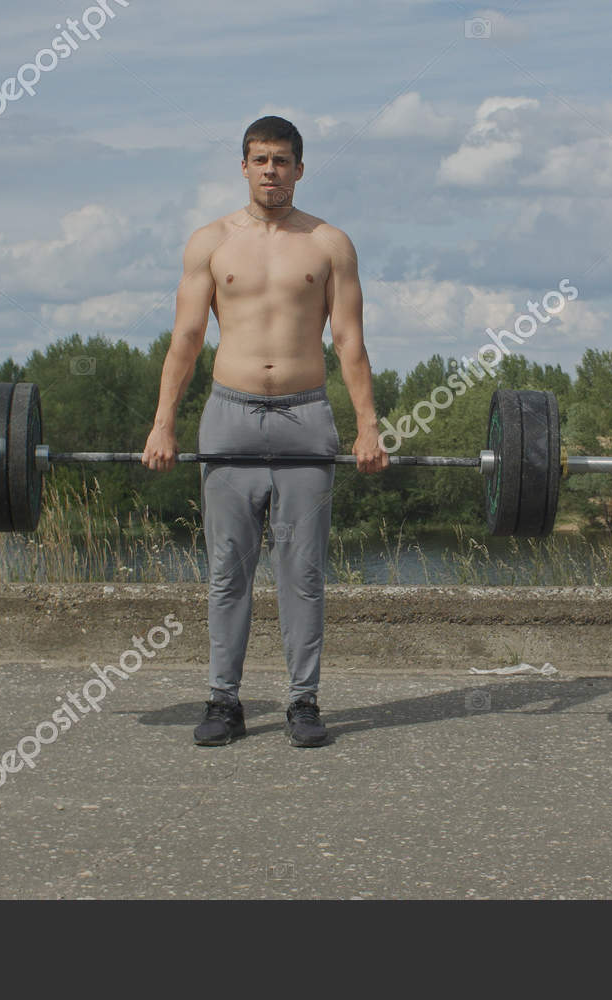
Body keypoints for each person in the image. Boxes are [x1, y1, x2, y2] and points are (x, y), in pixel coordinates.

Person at [141, 115, 389, 748]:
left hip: (307, 416)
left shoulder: (331, 243)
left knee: (302, 572)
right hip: (230, 413)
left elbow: (350, 343)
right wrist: (163, 423)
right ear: (243, 166)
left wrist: (369, 427)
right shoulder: (210, 243)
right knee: (228, 569)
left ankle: (302, 703)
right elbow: (187, 339)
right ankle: (224, 701)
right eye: (259, 159)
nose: (270, 170)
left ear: (300, 169)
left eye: (281, 160)